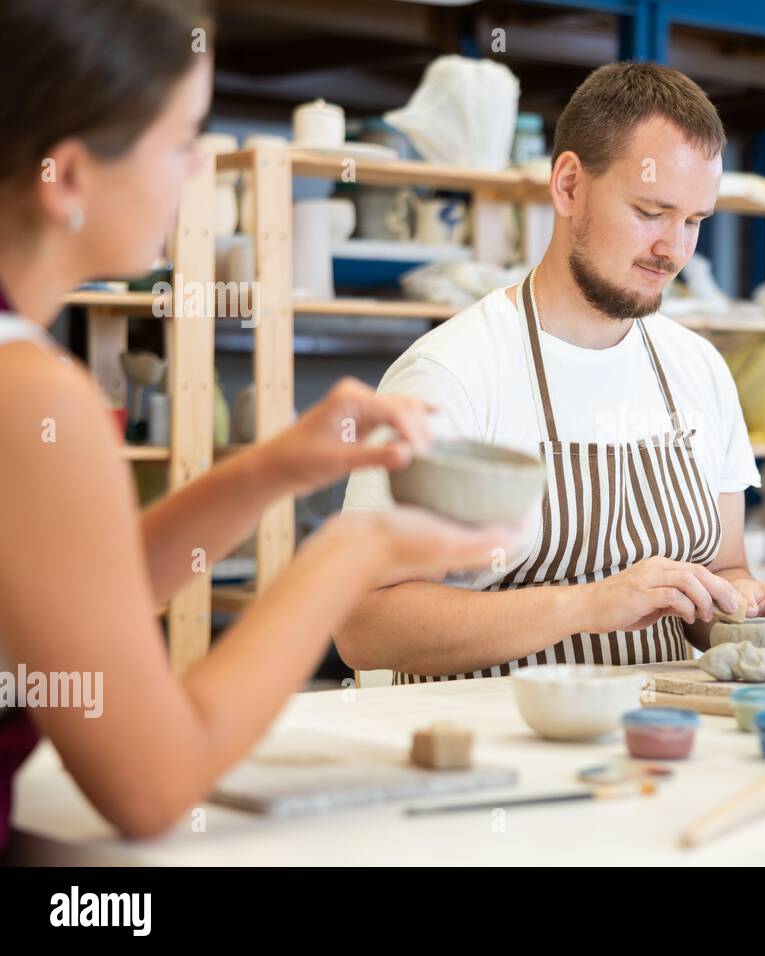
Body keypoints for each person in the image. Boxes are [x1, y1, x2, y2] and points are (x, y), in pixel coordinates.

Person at [0, 0, 514, 846]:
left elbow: (84, 593)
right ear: (69, 179)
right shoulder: (33, 397)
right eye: (180, 141)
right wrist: (353, 553)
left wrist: (273, 468)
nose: (197, 168)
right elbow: (154, 786)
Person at [339, 62, 765, 681]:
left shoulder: (698, 368)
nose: (675, 251)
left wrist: (746, 607)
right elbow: (363, 625)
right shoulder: (453, 372)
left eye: (695, 222)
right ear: (569, 185)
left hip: (657, 744)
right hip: (498, 753)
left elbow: (723, 568)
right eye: (652, 211)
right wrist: (585, 605)